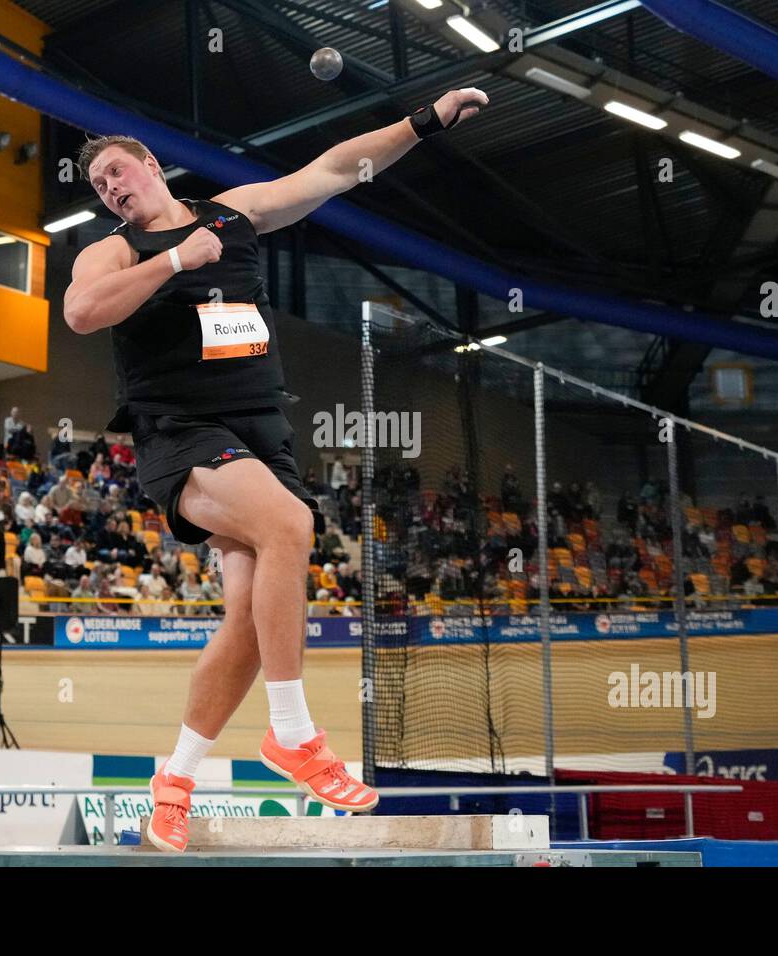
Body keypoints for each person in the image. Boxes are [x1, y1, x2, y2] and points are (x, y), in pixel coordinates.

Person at [62, 88, 491, 851]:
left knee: (251, 624)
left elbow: (333, 170)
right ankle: (292, 733)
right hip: (182, 435)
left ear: (152, 166)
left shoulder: (233, 214)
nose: (113, 188)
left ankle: (176, 777)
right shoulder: (117, 251)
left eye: (120, 172)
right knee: (292, 522)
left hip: (261, 434)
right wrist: (174, 260)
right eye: (100, 186)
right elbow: (83, 313)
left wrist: (422, 123)